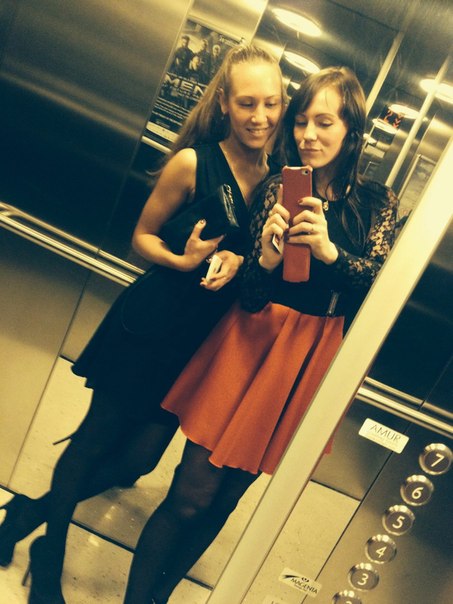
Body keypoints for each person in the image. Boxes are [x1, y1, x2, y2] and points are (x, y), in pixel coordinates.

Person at [0, 44, 284, 603]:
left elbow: (259, 261)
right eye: (247, 103)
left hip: (199, 345)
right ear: (224, 104)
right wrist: (183, 259)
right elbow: (141, 237)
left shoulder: (275, 182)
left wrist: (240, 261)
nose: (260, 116)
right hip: (147, 326)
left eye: (271, 103)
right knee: (93, 441)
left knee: (138, 460)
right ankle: (49, 558)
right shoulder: (193, 162)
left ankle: (27, 514)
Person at [122, 66, 399, 604]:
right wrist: (266, 262)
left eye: (325, 122)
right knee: (191, 495)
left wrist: (329, 253)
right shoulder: (278, 187)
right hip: (250, 341)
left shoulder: (377, 204)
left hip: (311, 356)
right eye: (301, 121)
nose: (308, 135)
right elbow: (249, 296)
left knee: (225, 501)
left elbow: (377, 289)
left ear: (351, 130)